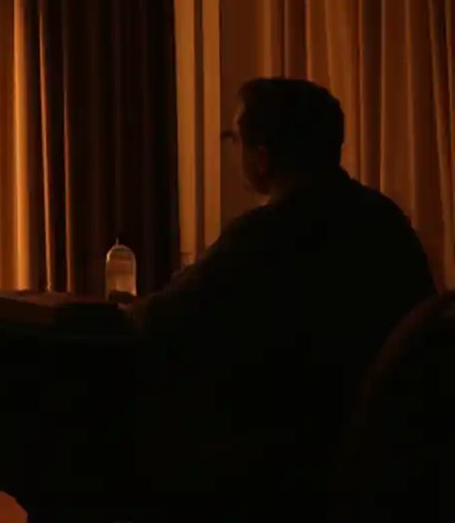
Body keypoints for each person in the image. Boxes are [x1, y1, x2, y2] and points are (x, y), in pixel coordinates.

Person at [127, 78, 436, 520]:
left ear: (262, 157)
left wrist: (125, 311)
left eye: (235, 137)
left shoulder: (265, 235)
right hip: (391, 461)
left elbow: (162, 321)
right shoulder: (385, 221)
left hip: (291, 464)